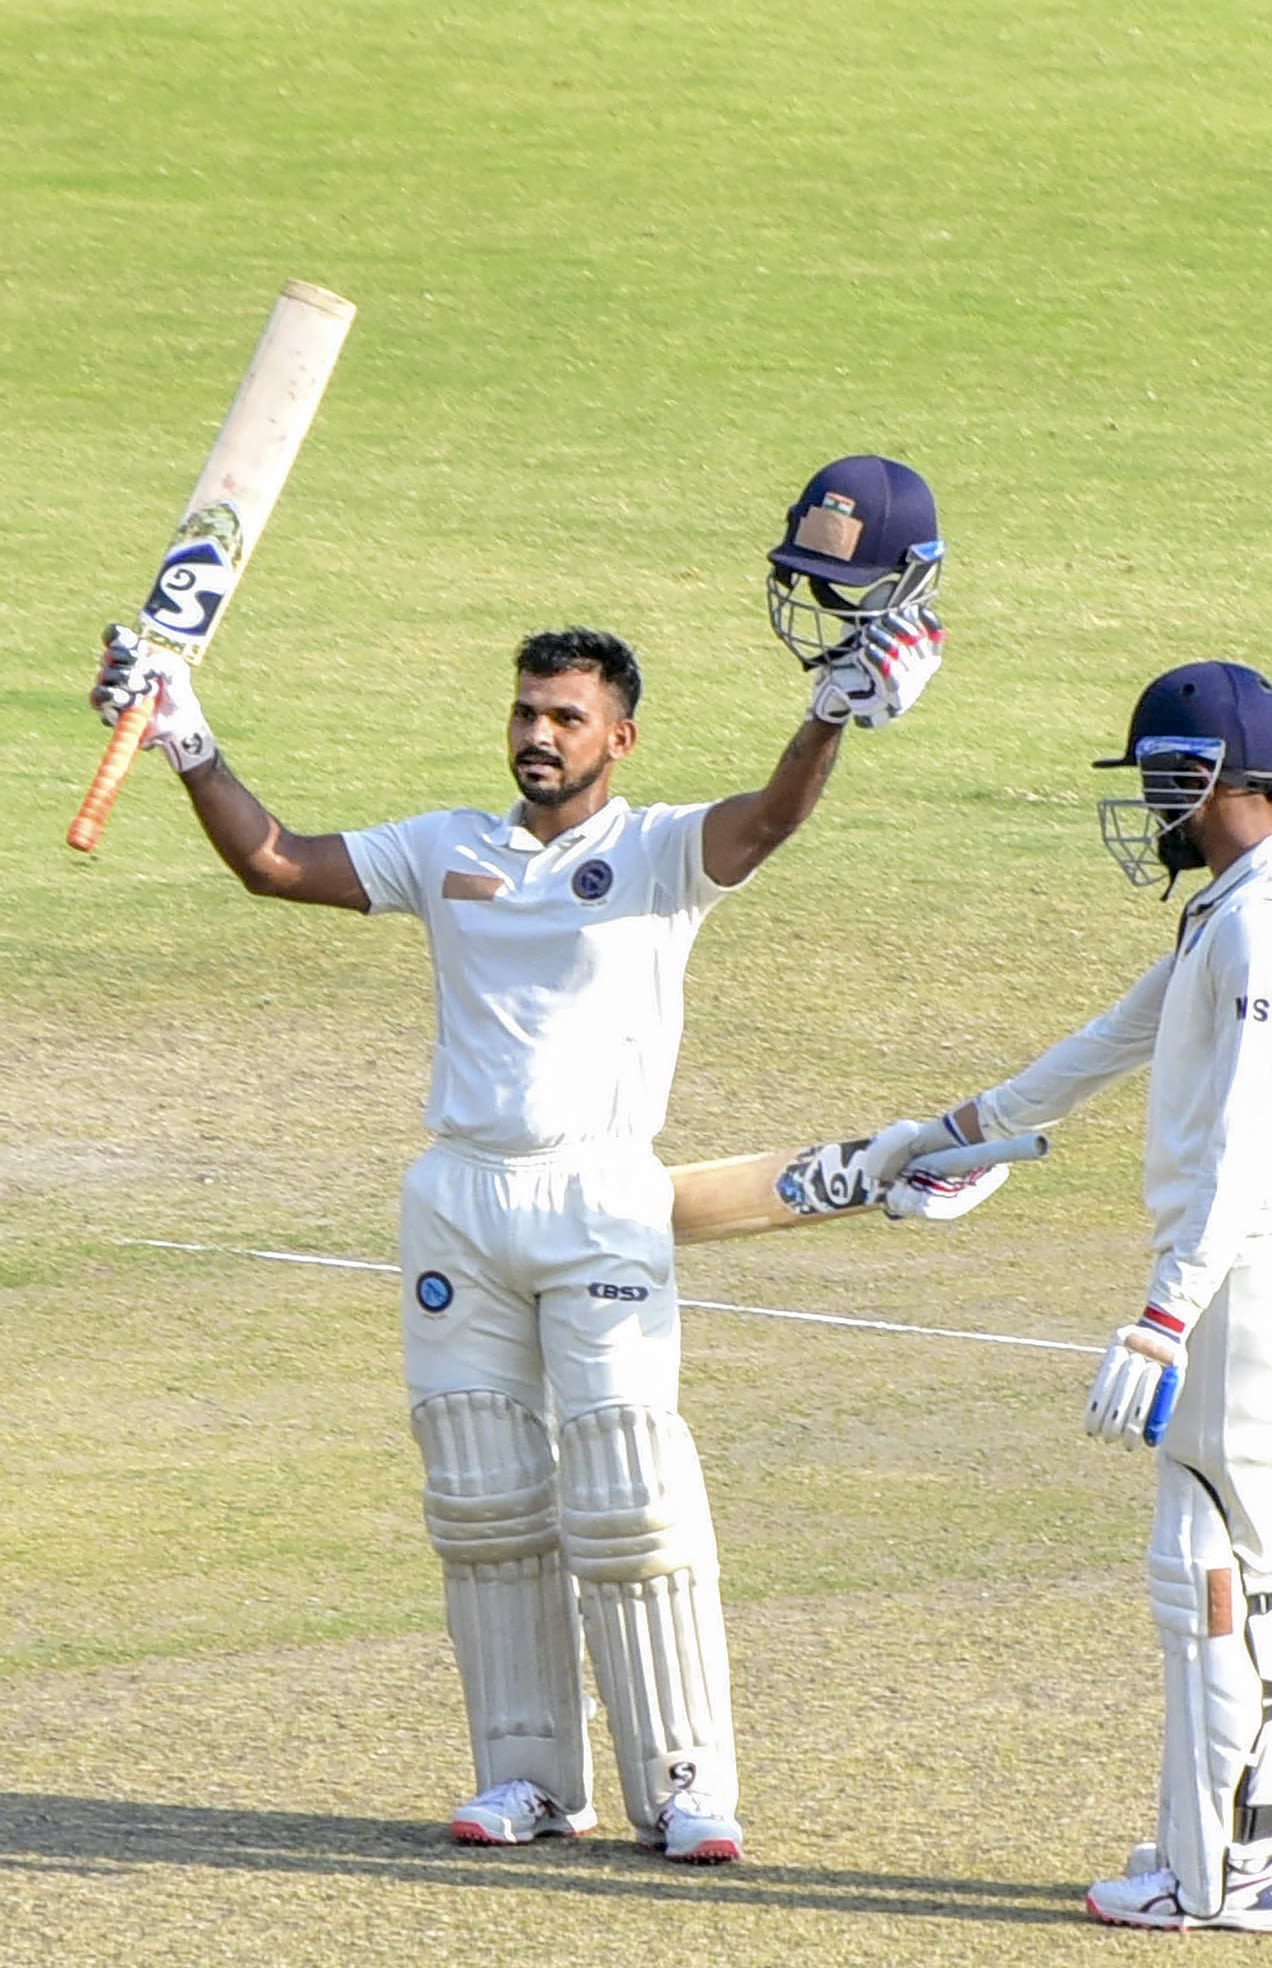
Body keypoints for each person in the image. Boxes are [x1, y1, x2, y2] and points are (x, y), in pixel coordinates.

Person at [89, 455, 948, 1863]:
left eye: (568, 717)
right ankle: (531, 1780)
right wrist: (185, 735)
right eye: (528, 712)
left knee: (625, 1489)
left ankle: (688, 1787)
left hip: (602, 1193)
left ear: (620, 738)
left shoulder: (667, 853)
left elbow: (773, 820)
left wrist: (822, 721)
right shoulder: (448, 848)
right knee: (483, 1497)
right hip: (461, 1201)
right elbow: (276, 864)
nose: (540, 735)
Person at [885, 660, 1272, 1933]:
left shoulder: (1267, 924)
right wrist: (939, 1134)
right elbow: (1106, 1043)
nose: (1147, 802)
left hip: (1258, 1269)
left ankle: (1215, 1878)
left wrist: (1163, 1314)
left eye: (1157, 773)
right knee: (1232, 1561)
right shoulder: (1236, 908)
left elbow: (1247, 1147)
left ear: (1198, 775)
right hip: (1260, 1263)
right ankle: (1239, 1862)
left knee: (1206, 1556)